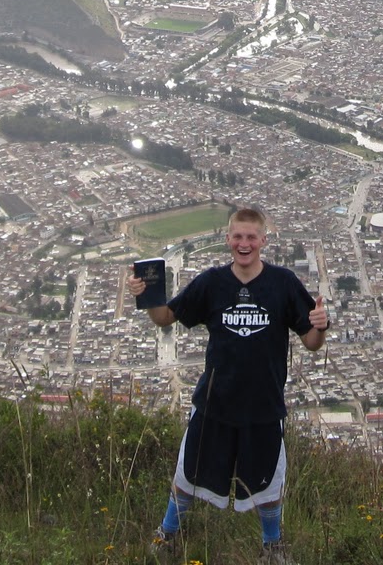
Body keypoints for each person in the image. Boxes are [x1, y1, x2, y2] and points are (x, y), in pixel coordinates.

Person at [126, 207, 328, 561]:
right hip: (214, 401)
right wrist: (147, 294)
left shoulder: (283, 284)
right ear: (228, 239)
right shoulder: (212, 282)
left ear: (263, 240)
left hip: (263, 404)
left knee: (268, 481)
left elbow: (311, 342)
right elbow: (165, 318)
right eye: (238, 237)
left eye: (251, 237)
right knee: (189, 472)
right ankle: (167, 535)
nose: (244, 243)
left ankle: (272, 547)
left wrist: (320, 325)